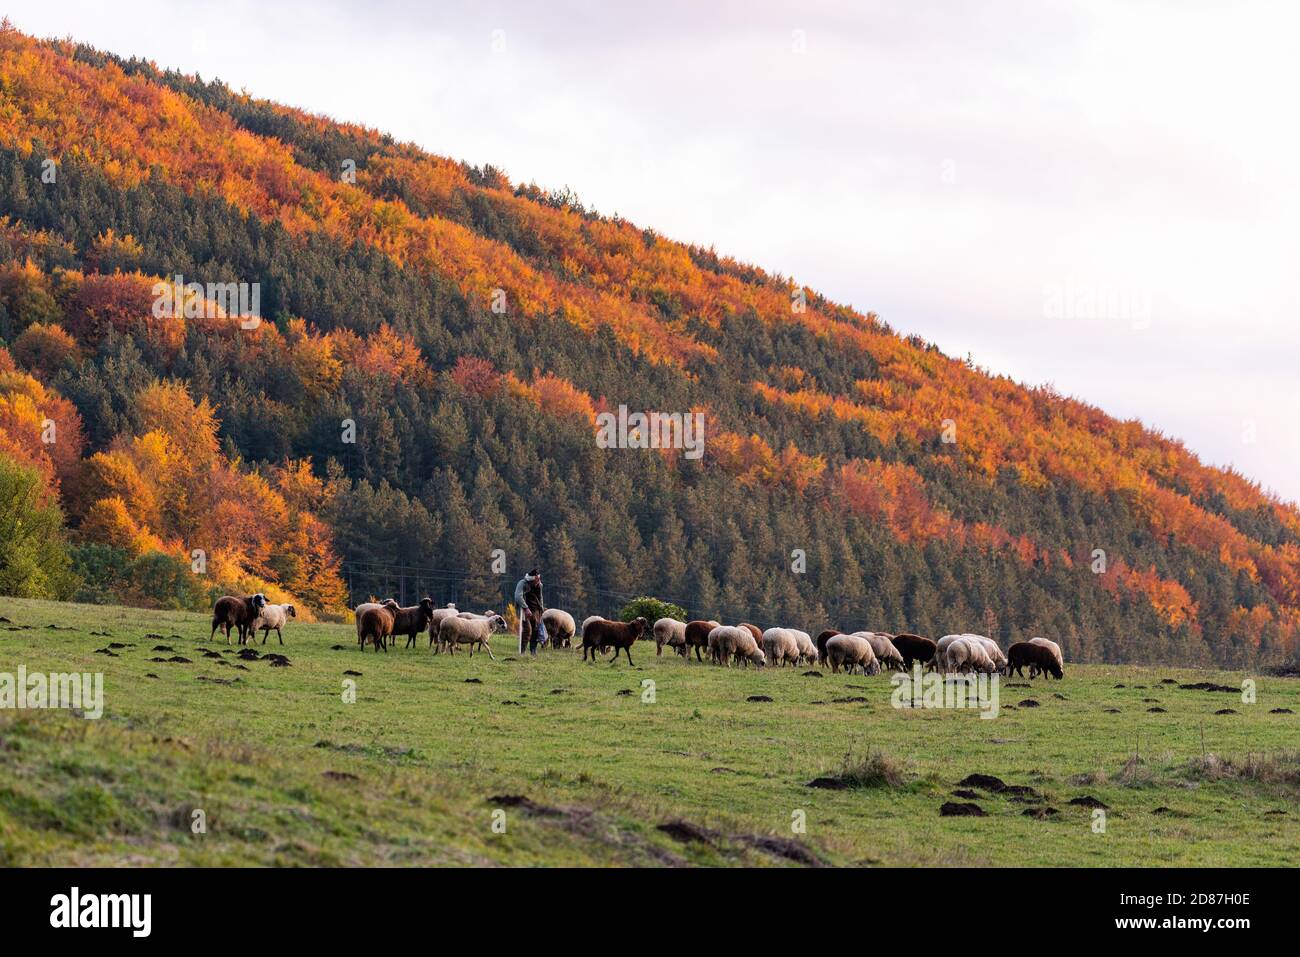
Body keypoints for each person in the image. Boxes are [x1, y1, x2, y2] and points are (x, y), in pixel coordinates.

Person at [514, 569, 546, 655]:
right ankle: (522, 651)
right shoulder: (522, 583)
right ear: (532, 579)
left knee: (536, 629)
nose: (538, 581)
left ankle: (533, 651)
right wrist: (526, 608)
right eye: (536, 580)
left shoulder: (539, 585)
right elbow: (518, 597)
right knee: (527, 630)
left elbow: (540, 597)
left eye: (538, 579)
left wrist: (541, 609)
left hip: (535, 609)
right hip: (524, 609)